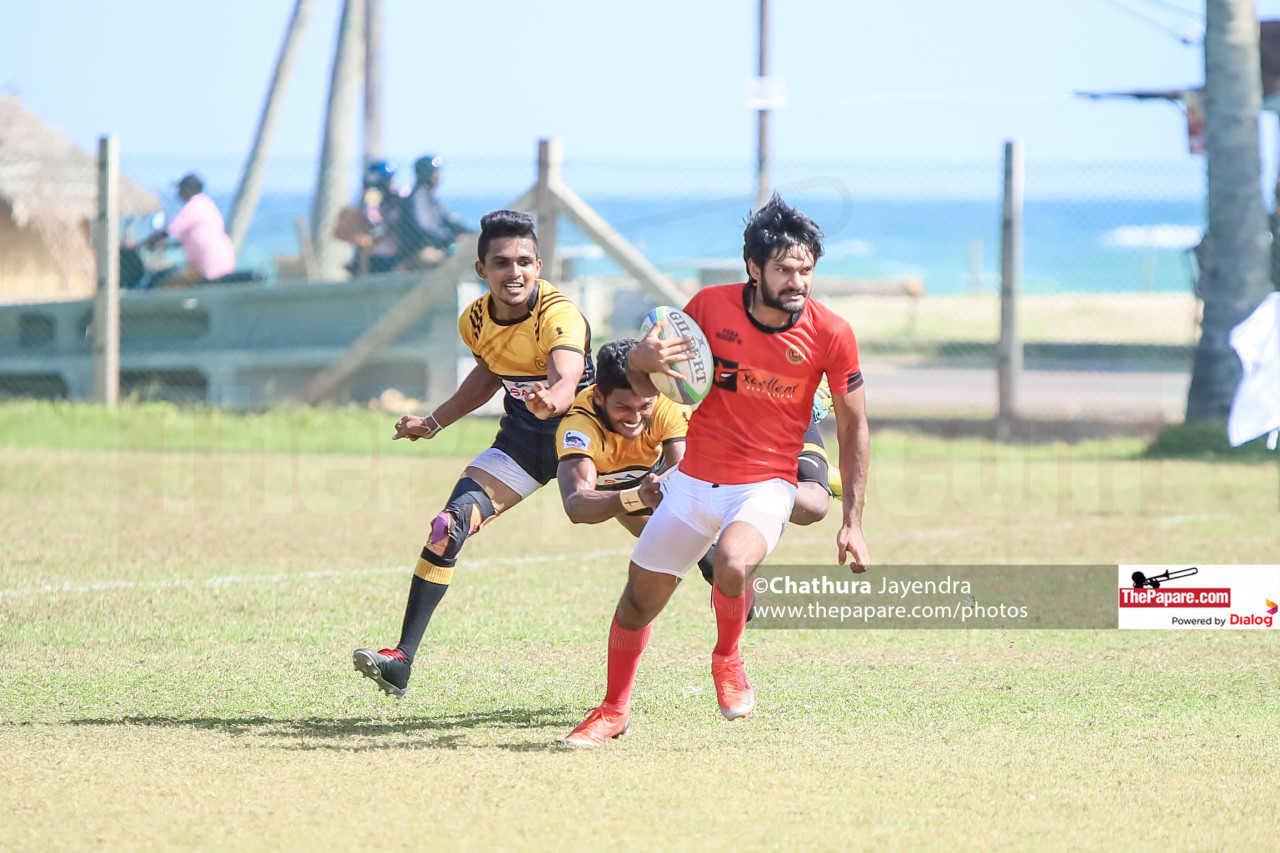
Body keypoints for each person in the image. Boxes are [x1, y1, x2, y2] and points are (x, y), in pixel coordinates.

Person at [562, 195, 870, 747]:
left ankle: (728, 659)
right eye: (783, 269)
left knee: (731, 563)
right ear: (754, 268)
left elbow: (853, 426)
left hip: (766, 484)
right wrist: (643, 363)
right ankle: (612, 710)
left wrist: (853, 522)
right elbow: (643, 374)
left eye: (806, 270)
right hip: (692, 482)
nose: (797, 281)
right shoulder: (708, 307)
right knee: (637, 603)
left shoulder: (832, 333)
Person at [352, 209, 594, 697]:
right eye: (502, 262)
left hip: (588, 437)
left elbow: (567, 375)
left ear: (540, 265)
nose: (515, 272)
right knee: (449, 526)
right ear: (481, 270)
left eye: (525, 261)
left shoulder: (558, 313)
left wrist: (558, 394)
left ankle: (725, 576)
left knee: (663, 525)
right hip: (524, 442)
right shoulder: (475, 320)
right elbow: (487, 374)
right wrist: (433, 422)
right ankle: (400, 661)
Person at [557, 339, 842, 589]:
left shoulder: (667, 401)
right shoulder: (580, 427)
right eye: (622, 407)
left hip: (739, 438)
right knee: (666, 547)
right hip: (635, 483)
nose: (634, 417)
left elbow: (686, 478)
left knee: (813, 507)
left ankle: (810, 405)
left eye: (644, 406)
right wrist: (637, 498)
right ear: (598, 397)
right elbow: (576, 504)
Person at [146, 174, 236, 287]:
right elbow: (187, 238)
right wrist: (168, 245)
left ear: (187, 190)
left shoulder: (195, 206)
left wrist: (147, 242)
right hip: (215, 263)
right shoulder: (204, 204)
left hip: (210, 265)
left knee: (167, 284)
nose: (178, 193)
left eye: (180, 189)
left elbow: (170, 229)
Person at [399, 154, 473, 269]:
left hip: (439, 247)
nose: (438, 175)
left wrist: (474, 232)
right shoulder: (418, 197)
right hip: (423, 250)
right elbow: (424, 227)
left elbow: (449, 221)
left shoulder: (431, 197)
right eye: (435, 172)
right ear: (425, 174)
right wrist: (452, 237)